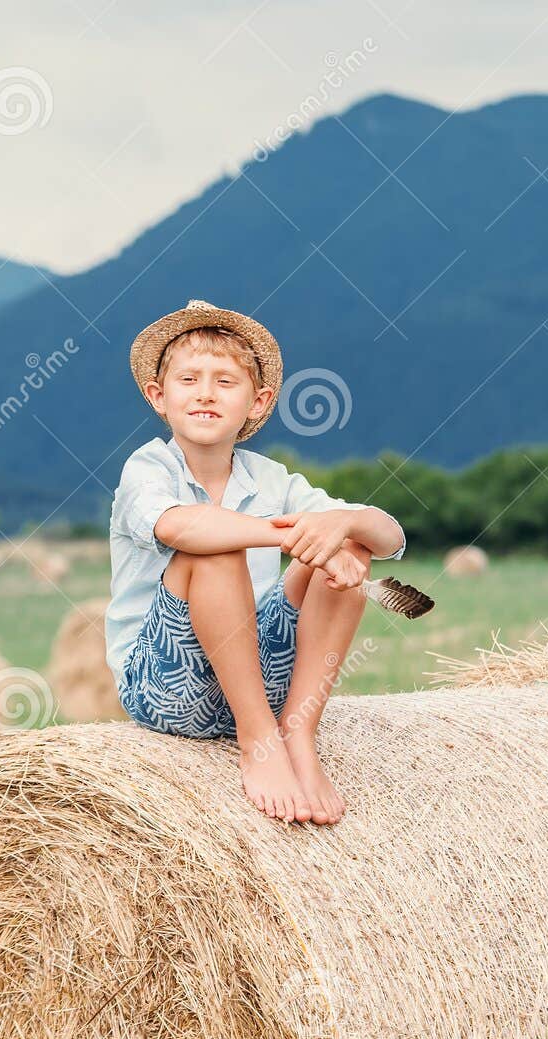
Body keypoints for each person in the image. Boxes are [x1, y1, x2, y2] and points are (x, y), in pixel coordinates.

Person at [105, 299, 407, 825]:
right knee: (216, 549)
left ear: (258, 402)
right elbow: (180, 526)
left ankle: (299, 734)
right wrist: (294, 537)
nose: (205, 393)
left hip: (265, 674)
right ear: (158, 396)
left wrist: (344, 527)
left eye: (225, 381)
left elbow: (390, 537)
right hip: (169, 684)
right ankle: (257, 737)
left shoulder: (272, 479)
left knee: (349, 545)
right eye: (189, 380)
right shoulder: (147, 468)